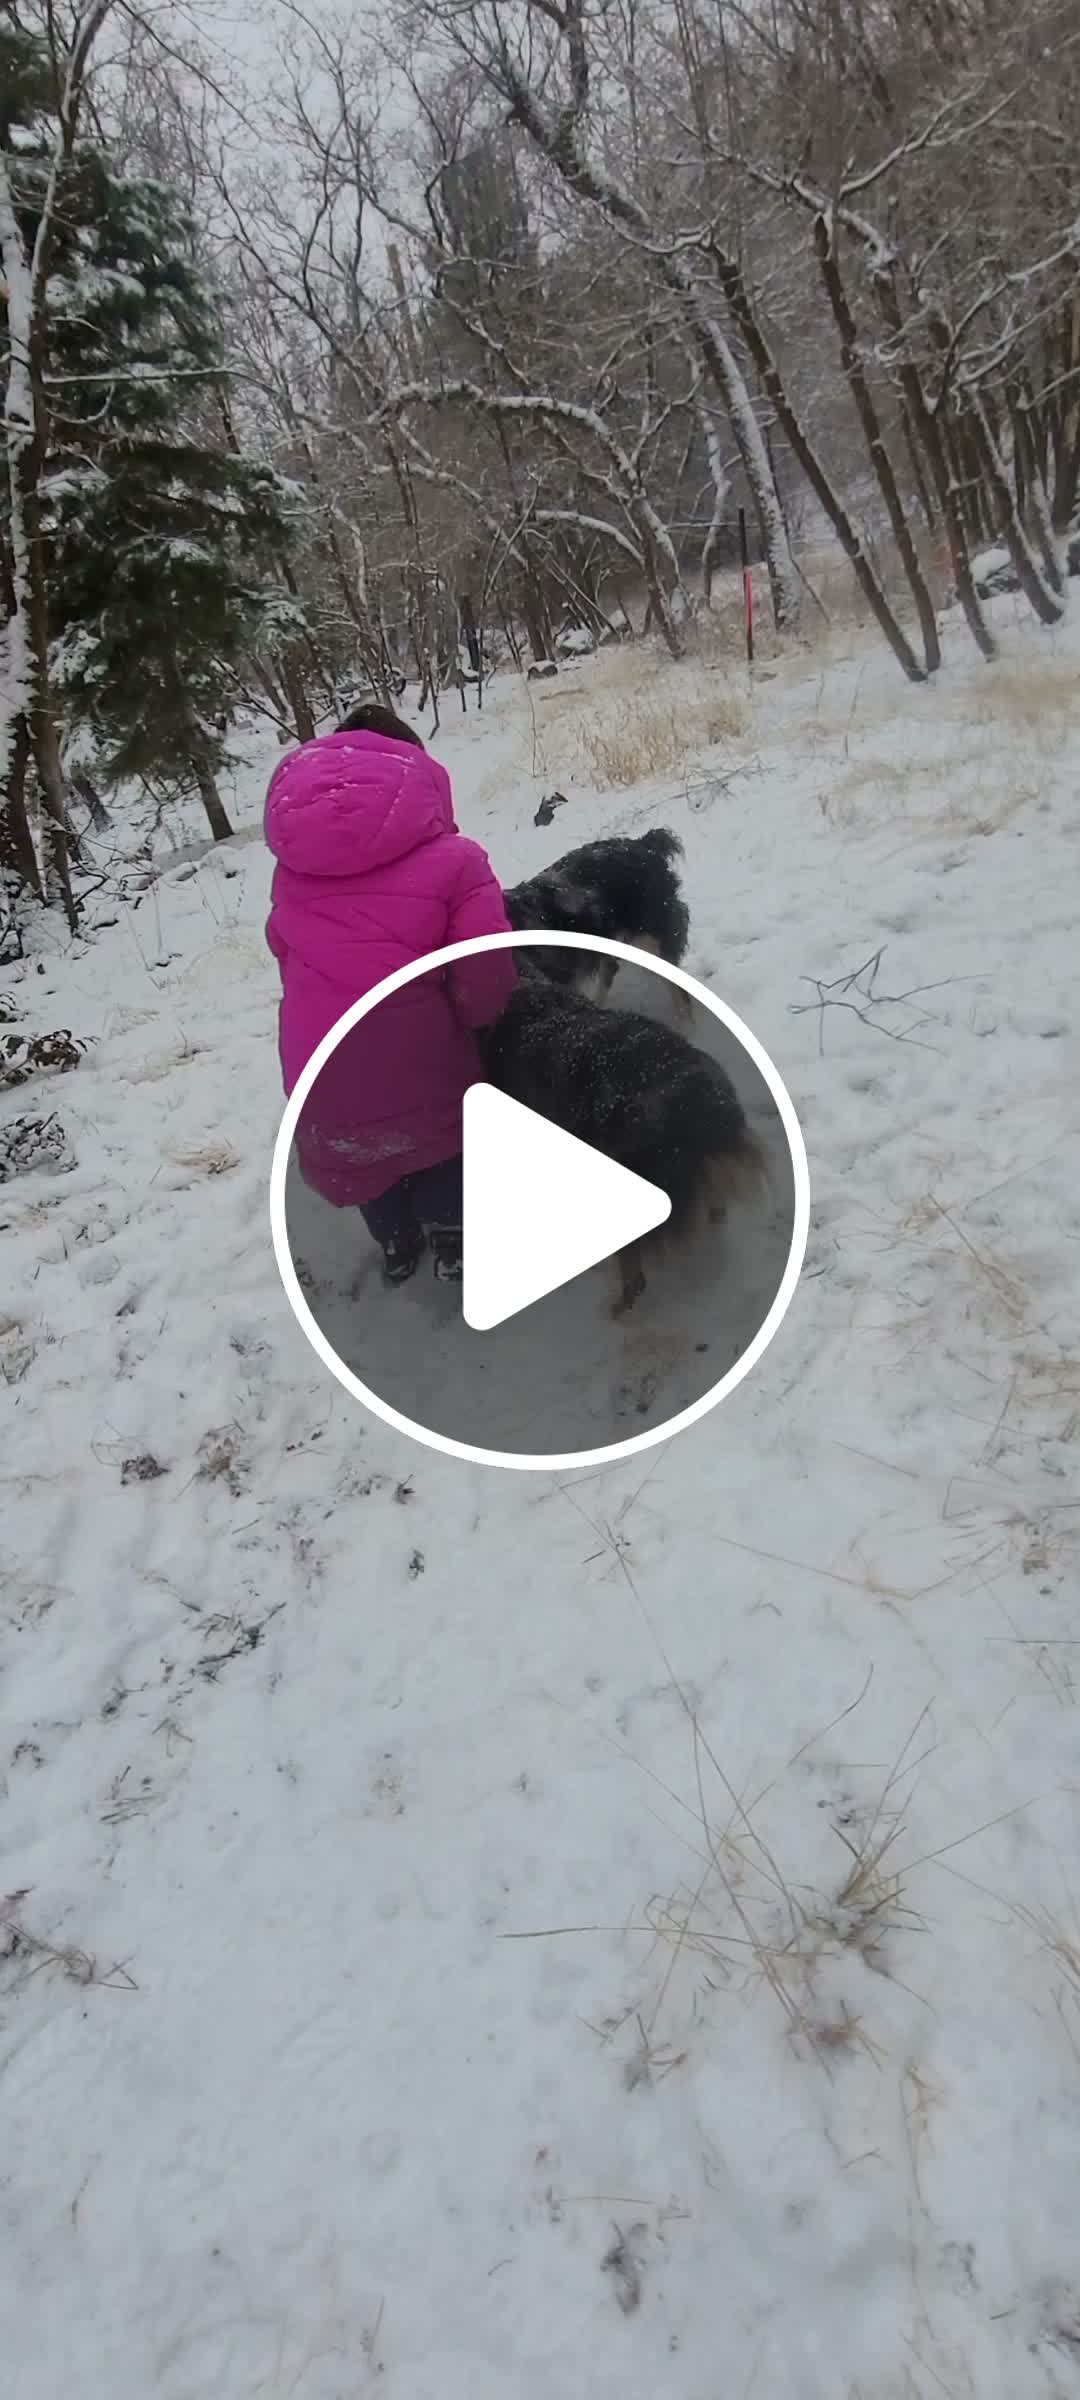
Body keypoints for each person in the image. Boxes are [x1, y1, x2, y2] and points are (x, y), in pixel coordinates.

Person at [265, 701, 515, 1285]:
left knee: (362, 1155)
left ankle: (396, 1241)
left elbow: (284, 953)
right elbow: (484, 976)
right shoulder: (458, 861)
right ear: (418, 773)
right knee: (440, 1141)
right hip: (417, 1058)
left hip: (318, 1069)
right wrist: (472, 1022)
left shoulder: (293, 873)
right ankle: (452, 1238)